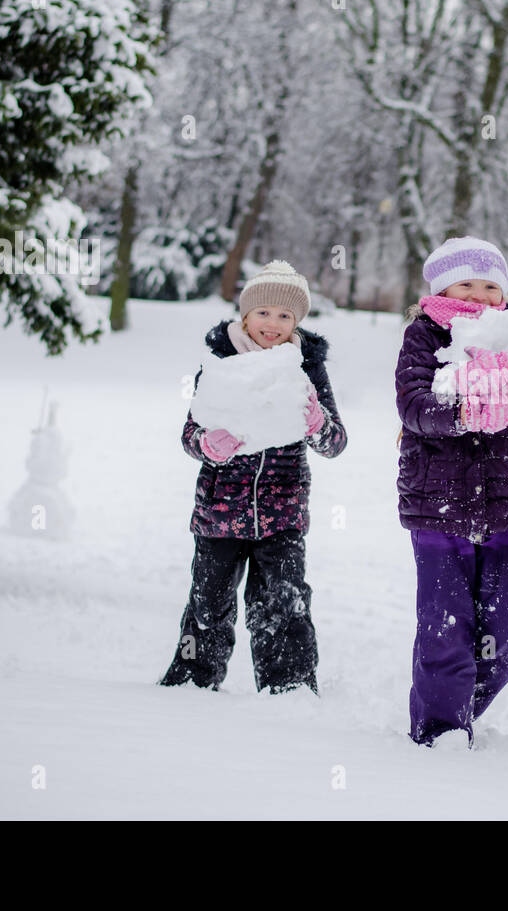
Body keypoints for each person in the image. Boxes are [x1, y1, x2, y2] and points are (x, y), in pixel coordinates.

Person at [395, 236, 508, 746]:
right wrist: (462, 411)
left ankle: (457, 706)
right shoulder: (424, 334)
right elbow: (413, 404)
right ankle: (441, 732)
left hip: (504, 502)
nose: (478, 295)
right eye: (466, 283)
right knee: (446, 630)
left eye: (490, 285)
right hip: (437, 501)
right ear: (442, 285)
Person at [160, 260, 346, 694]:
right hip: (219, 511)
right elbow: (190, 433)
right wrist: (207, 444)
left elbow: (335, 442)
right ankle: (192, 678)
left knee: (284, 603)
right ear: (245, 315)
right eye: (263, 312)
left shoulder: (306, 369)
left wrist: (317, 424)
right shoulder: (220, 364)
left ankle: (291, 688)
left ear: (297, 321)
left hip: (283, 514)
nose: (273, 324)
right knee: (207, 602)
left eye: (285, 316)